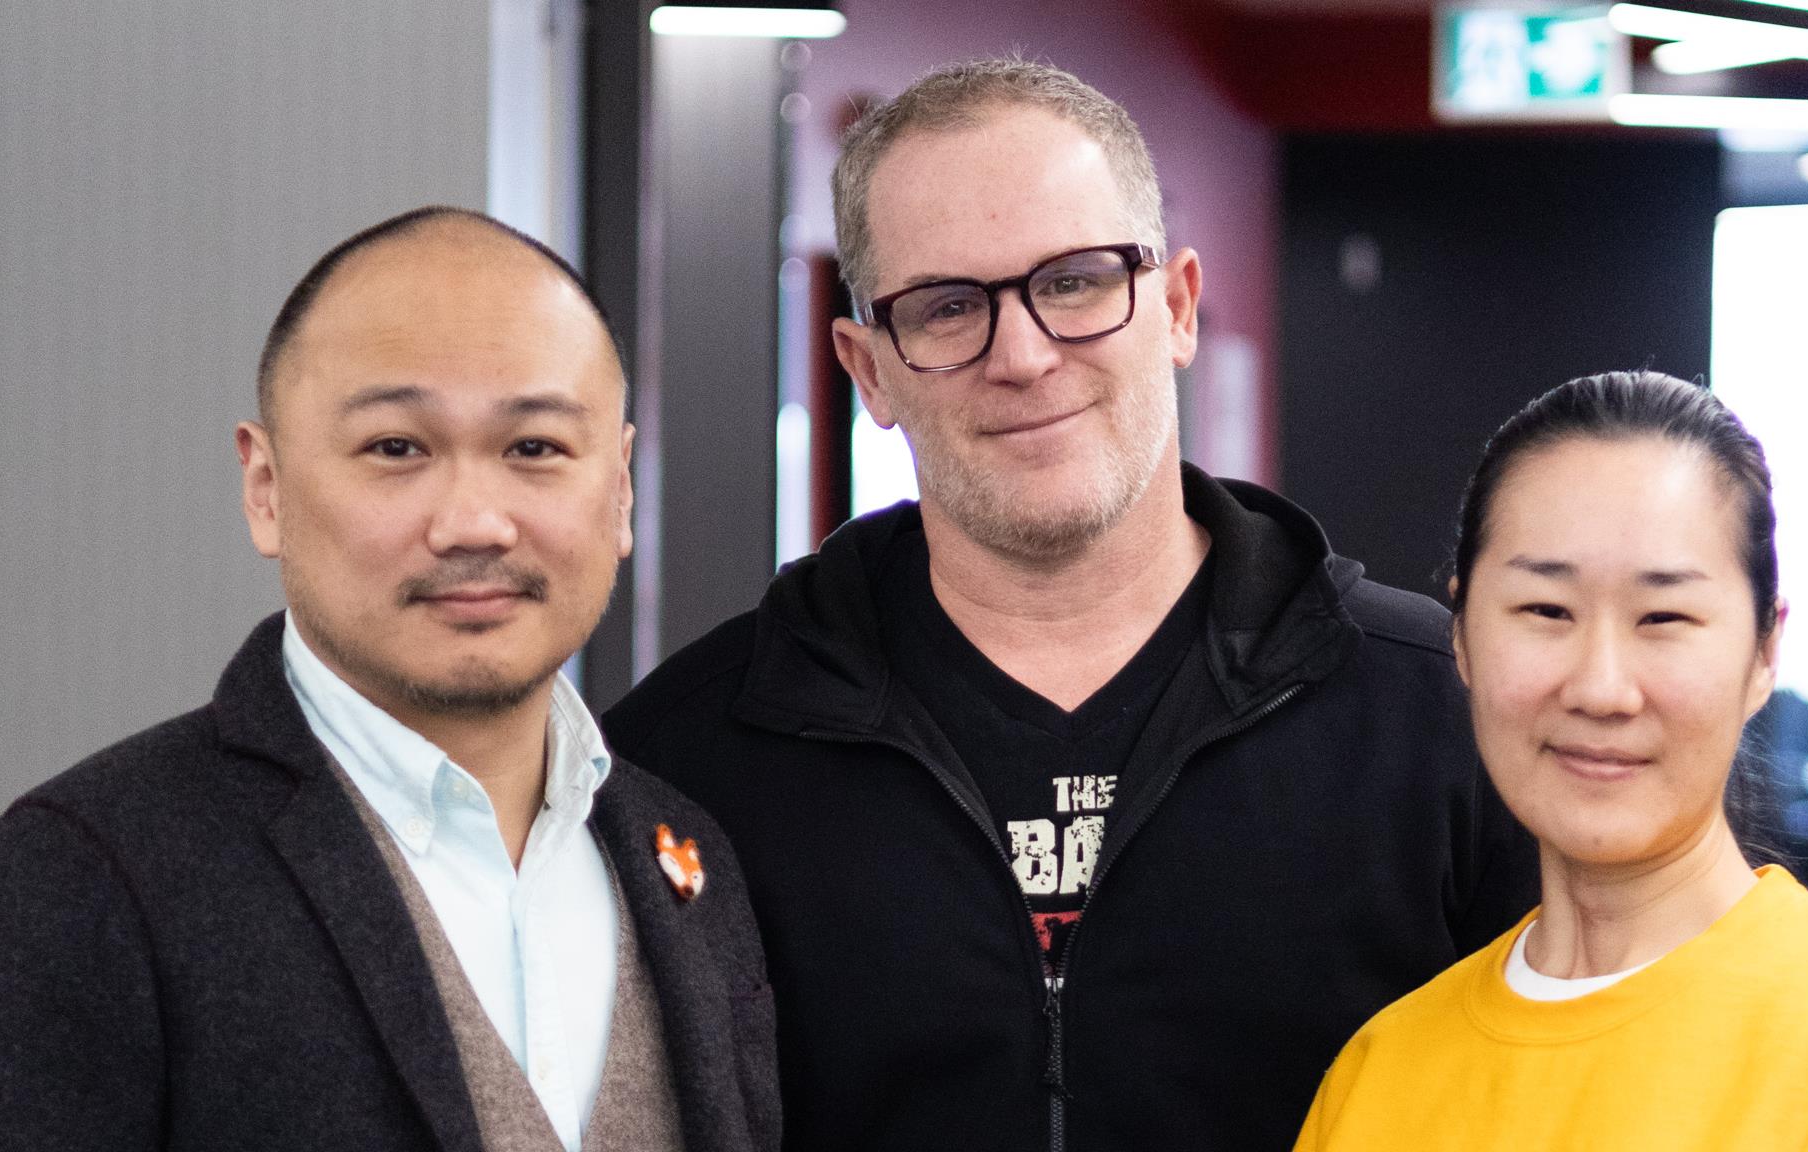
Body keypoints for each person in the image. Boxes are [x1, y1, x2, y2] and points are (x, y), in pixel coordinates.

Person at [603, 58, 1537, 1151]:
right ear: (868, 370)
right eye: (946, 306)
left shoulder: (1450, 718)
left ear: (1176, 305)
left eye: (1076, 280)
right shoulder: (687, 761)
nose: (1022, 354)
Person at [0, 207, 778, 1152]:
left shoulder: (688, 857)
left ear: (617, 488)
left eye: (534, 448)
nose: (474, 523)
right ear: (267, 489)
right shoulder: (84, 872)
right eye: (397, 449)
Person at [1294, 371, 1808, 1150]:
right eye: (1546, 611)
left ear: (1764, 649)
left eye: (1665, 616)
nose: (1601, 688)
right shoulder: (1380, 1077)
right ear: (1462, 636)